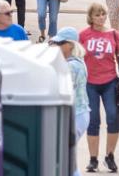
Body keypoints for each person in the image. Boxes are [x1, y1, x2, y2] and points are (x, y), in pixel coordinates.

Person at [80, 2, 119, 174]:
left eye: (103, 14)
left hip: (109, 81)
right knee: (93, 121)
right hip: (90, 83)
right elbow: (76, 58)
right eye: (97, 15)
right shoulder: (83, 35)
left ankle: (110, 156)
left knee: (113, 116)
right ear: (91, 18)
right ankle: (93, 159)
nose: (101, 17)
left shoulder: (113, 34)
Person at [50, 27, 90, 175]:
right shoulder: (75, 62)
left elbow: (58, 88)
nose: (57, 46)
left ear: (71, 45)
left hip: (76, 115)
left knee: (63, 155)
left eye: (60, 44)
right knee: (67, 156)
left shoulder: (72, 66)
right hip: (79, 113)